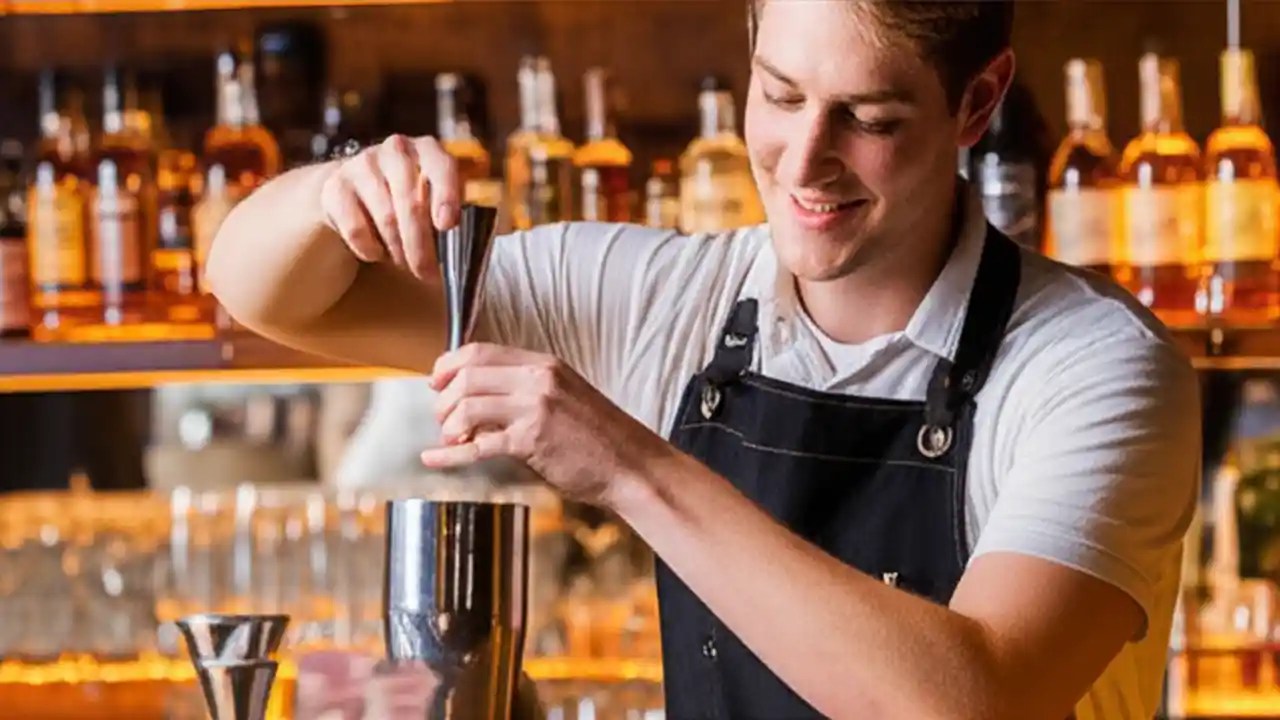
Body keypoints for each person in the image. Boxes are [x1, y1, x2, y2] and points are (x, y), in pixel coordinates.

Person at [206, 1, 1201, 717]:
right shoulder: (657, 298)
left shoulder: (1092, 364)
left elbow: (972, 701)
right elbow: (258, 290)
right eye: (778, 94)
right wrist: (335, 193)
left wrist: (632, 468)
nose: (802, 158)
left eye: (868, 118)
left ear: (977, 102)